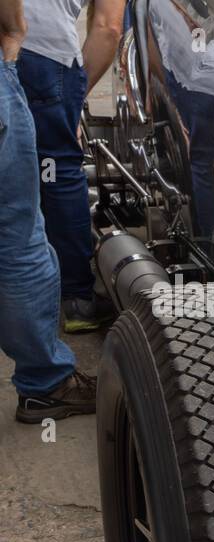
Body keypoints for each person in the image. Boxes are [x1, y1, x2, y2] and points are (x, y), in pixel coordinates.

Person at [0, 0, 96, 422]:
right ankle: (46, 381)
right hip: (41, 59)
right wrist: (14, 35)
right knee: (17, 235)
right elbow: (110, 28)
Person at [17, 0, 124, 332]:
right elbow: (109, 28)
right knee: (55, 169)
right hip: (41, 57)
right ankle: (77, 300)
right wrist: (72, 99)